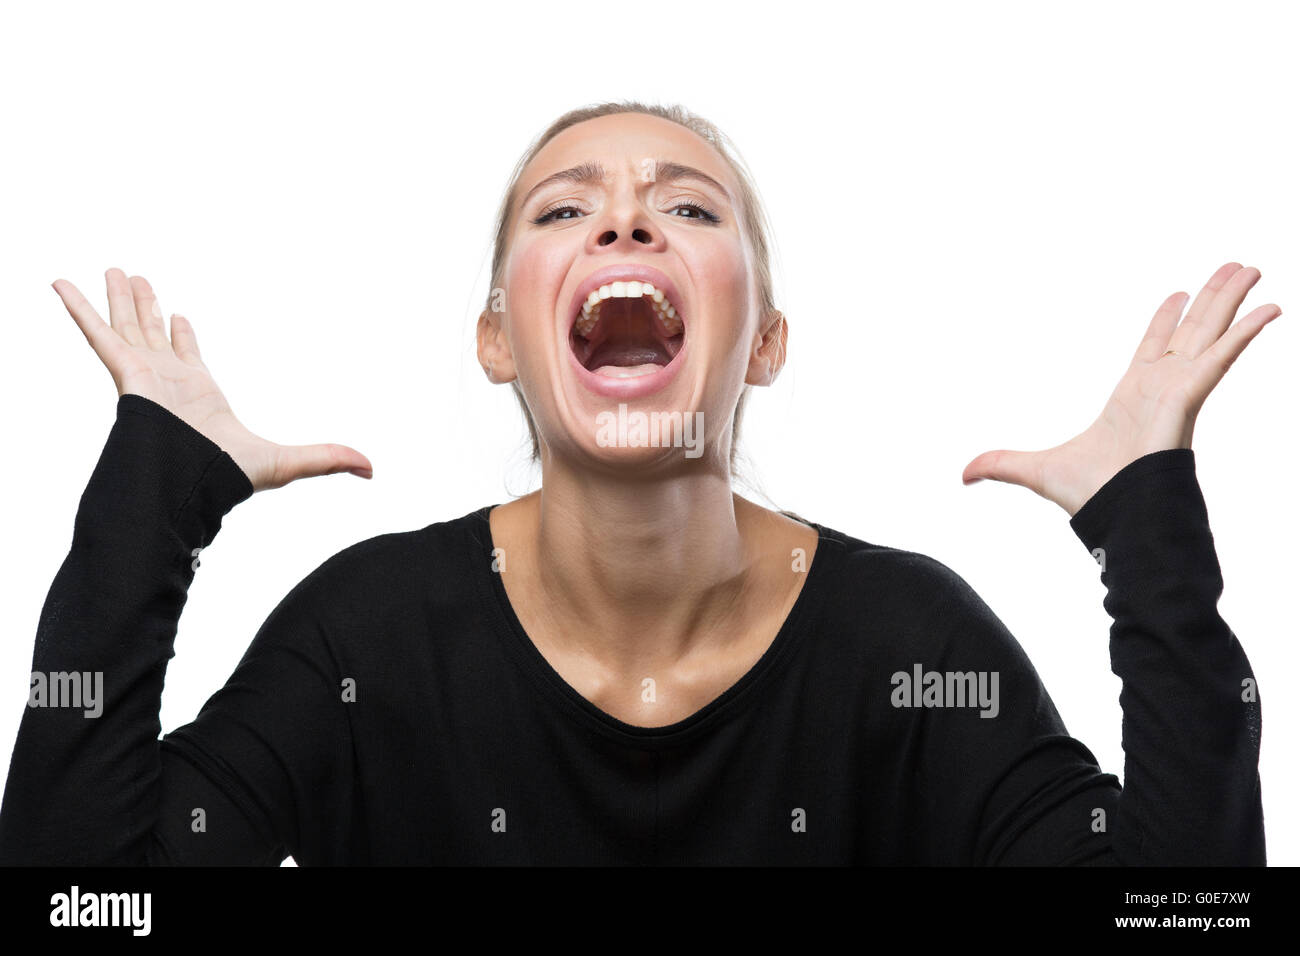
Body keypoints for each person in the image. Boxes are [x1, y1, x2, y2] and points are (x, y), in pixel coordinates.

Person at [0, 101, 1274, 865]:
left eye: (688, 209)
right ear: (499, 337)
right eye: (564, 211)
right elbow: (79, 897)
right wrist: (149, 506)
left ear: (762, 339)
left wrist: (1146, 525)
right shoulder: (368, 634)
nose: (622, 226)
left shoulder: (910, 642)